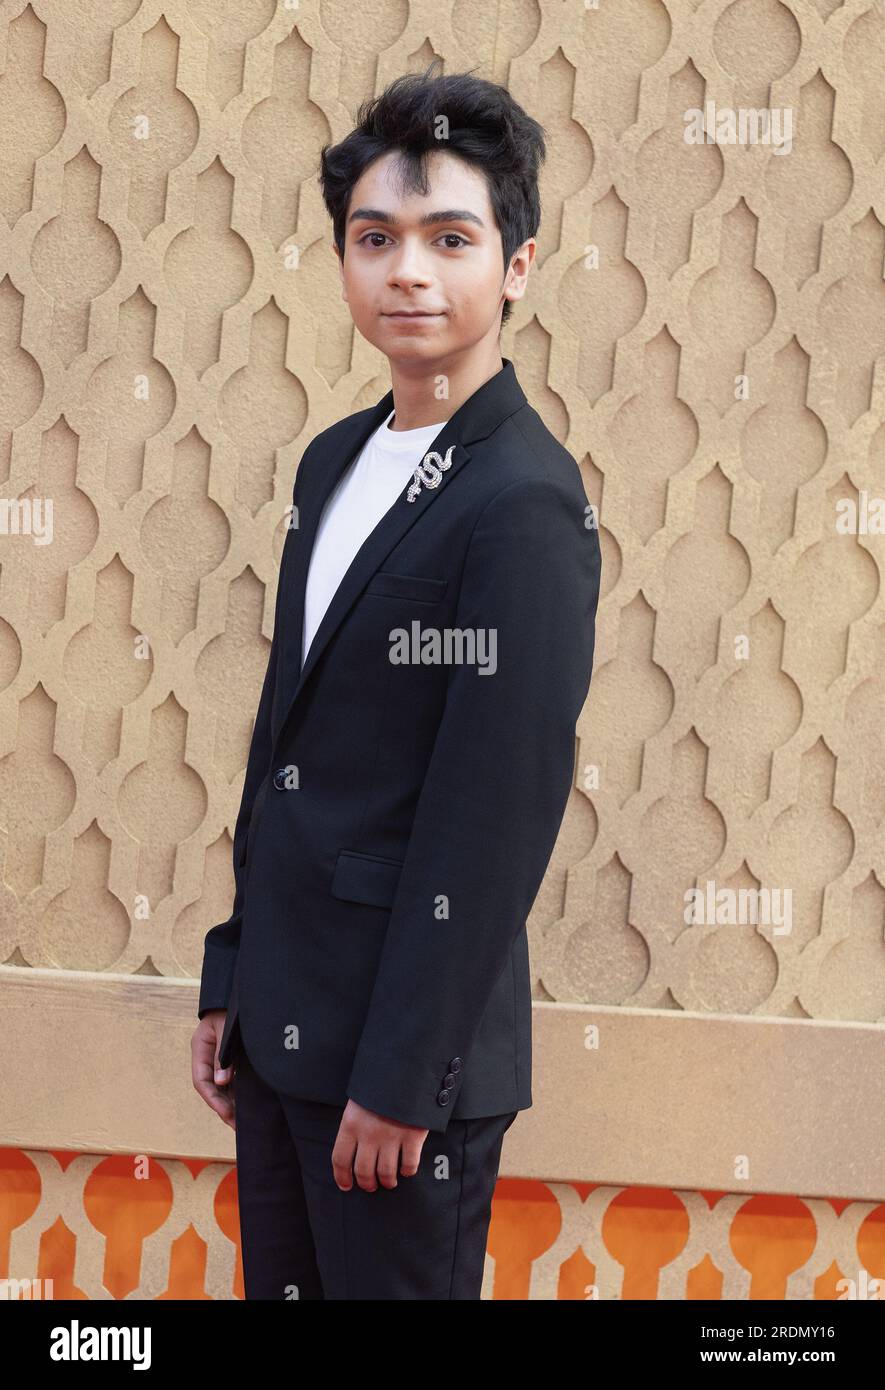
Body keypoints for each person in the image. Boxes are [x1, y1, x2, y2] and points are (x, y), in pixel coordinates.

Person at [191, 61, 601, 1300]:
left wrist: (399, 1074)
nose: (408, 269)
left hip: (396, 1067)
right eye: (376, 238)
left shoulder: (523, 502)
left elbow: (495, 815)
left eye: (448, 238)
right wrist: (232, 972)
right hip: (283, 1028)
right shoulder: (332, 462)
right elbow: (285, 742)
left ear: (515, 267)